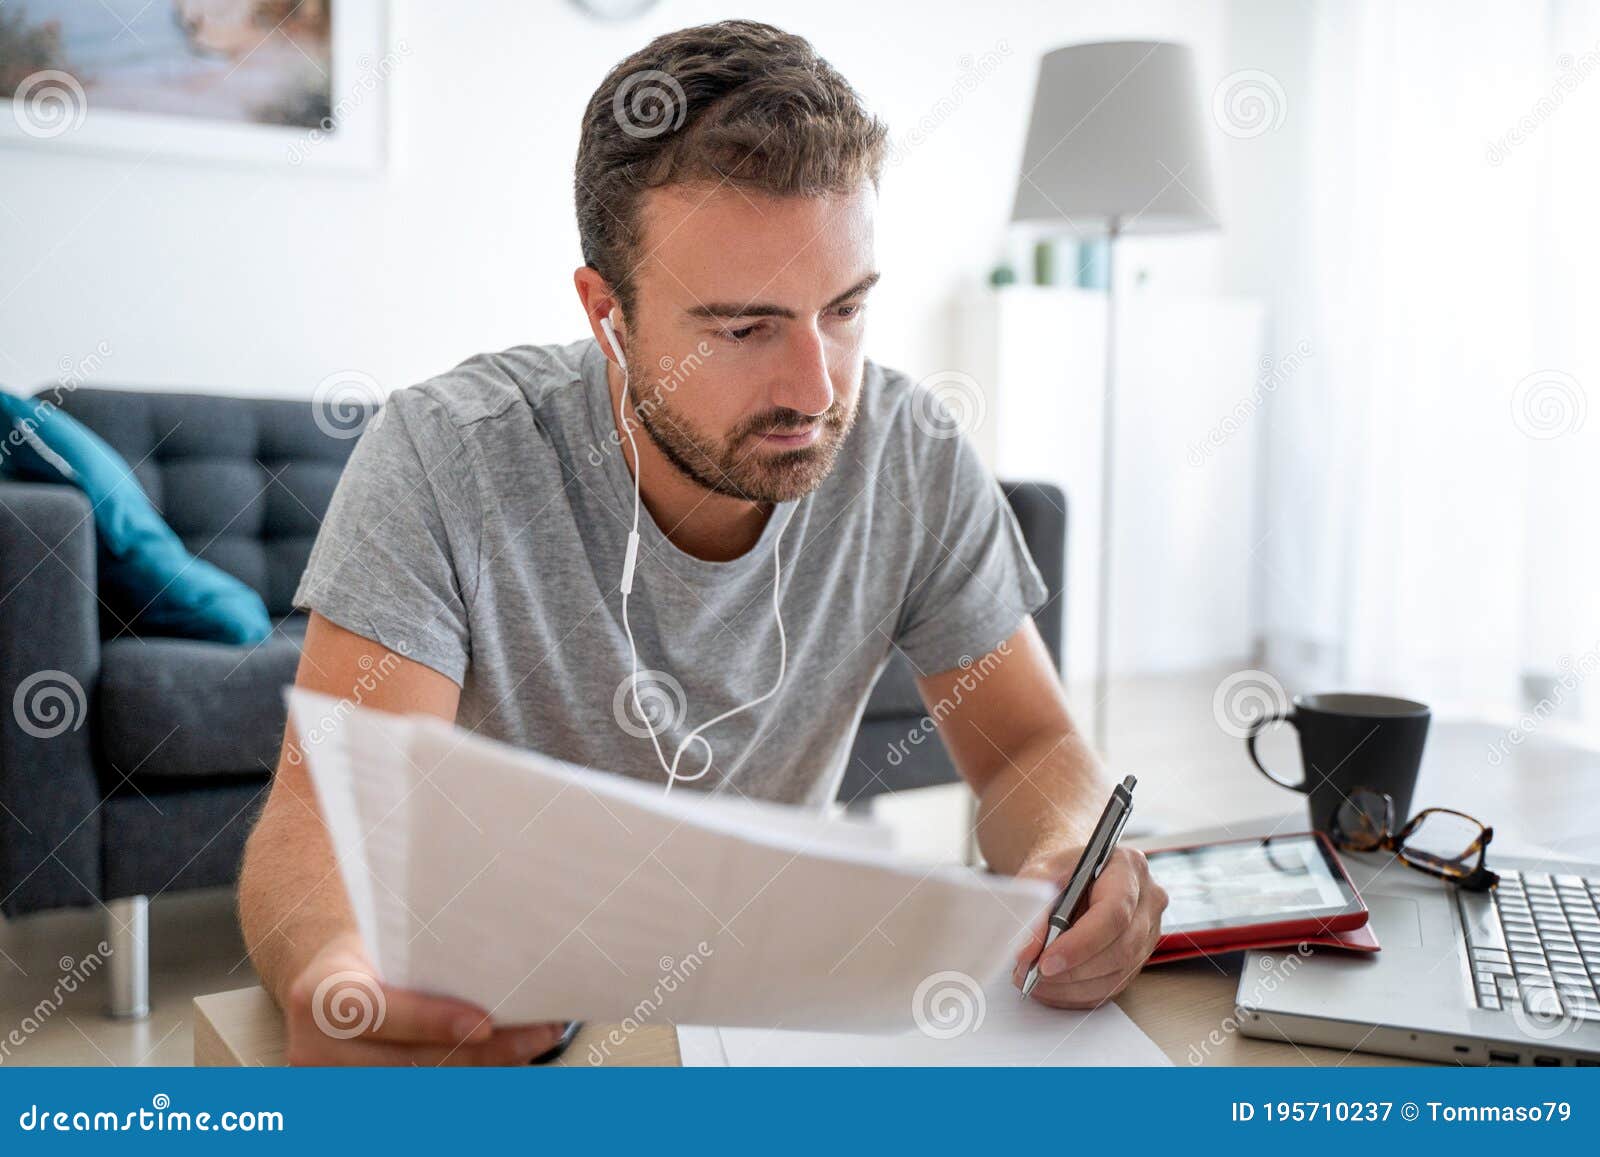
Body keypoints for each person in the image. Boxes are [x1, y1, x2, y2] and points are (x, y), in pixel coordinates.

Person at [238, 18, 1167, 1066]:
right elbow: (324, 815)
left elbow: (1031, 748)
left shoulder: (908, 448)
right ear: (608, 312)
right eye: (742, 328)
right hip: (509, 1035)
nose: (815, 391)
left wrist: (1071, 854)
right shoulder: (447, 454)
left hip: (772, 1030)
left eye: (845, 310)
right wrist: (334, 969)